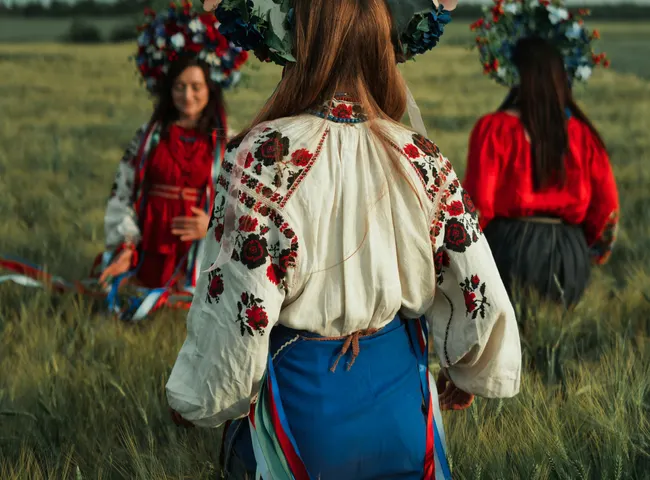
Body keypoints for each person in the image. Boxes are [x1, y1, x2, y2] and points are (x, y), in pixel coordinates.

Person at [166, 0, 521, 478]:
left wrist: (198, 397)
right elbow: (477, 285)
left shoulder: (262, 156)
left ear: (299, 44)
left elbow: (238, 311)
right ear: (382, 46)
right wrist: (470, 369)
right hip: (401, 413)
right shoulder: (420, 156)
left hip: (305, 414)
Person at [464, 2, 619, 309]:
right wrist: (587, 253)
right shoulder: (583, 135)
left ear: (516, 76)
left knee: (511, 344)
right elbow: (607, 212)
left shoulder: (494, 129)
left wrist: (460, 260)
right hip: (569, 253)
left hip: (511, 249)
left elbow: (478, 207)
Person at [95, 3, 249, 306]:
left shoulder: (227, 143)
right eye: (179, 87)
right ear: (168, 89)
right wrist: (126, 244)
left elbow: (240, 202)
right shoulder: (148, 137)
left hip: (200, 256)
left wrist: (211, 224)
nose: (187, 95)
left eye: (195, 86)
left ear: (211, 88)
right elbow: (123, 192)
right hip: (151, 248)